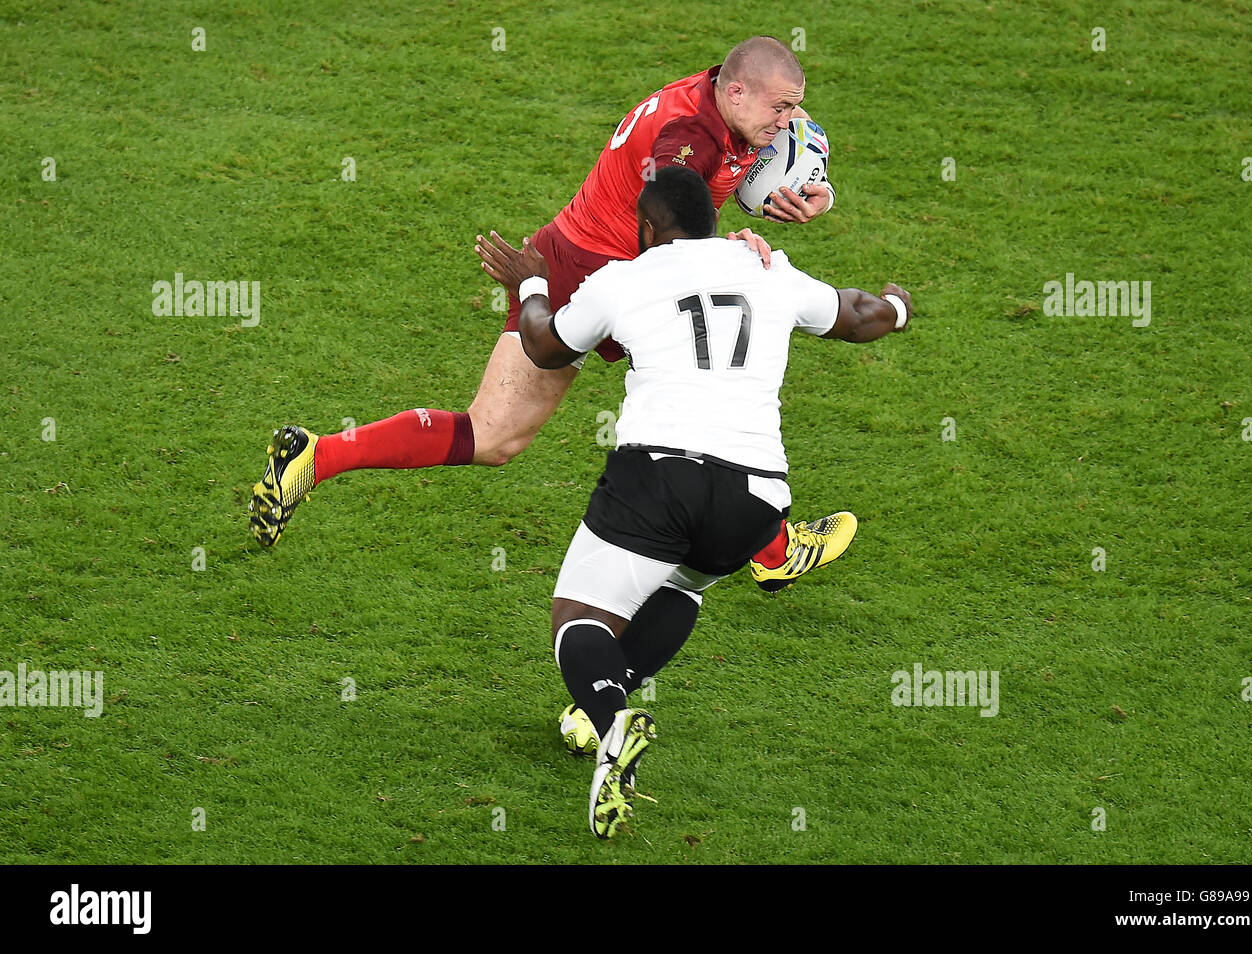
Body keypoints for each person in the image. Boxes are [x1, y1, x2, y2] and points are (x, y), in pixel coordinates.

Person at [248, 36, 855, 594]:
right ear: (738, 91)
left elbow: (796, 125)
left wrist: (816, 181)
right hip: (610, 274)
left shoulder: (725, 90)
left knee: (498, 433)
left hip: (577, 255)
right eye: (778, 110)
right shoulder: (686, 139)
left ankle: (316, 456)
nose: (785, 123)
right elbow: (670, 227)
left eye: (788, 110)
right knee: (708, 388)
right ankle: (771, 552)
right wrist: (727, 252)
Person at [475, 166, 916, 838]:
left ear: (647, 228)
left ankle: (610, 720)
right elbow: (858, 317)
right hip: (755, 498)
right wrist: (899, 305)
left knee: (578, 618)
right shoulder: (765, 266)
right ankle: (608, 702)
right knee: (685, 583)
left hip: (661, 475)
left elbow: (543, 343)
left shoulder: (625, 279)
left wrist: (530, 282)